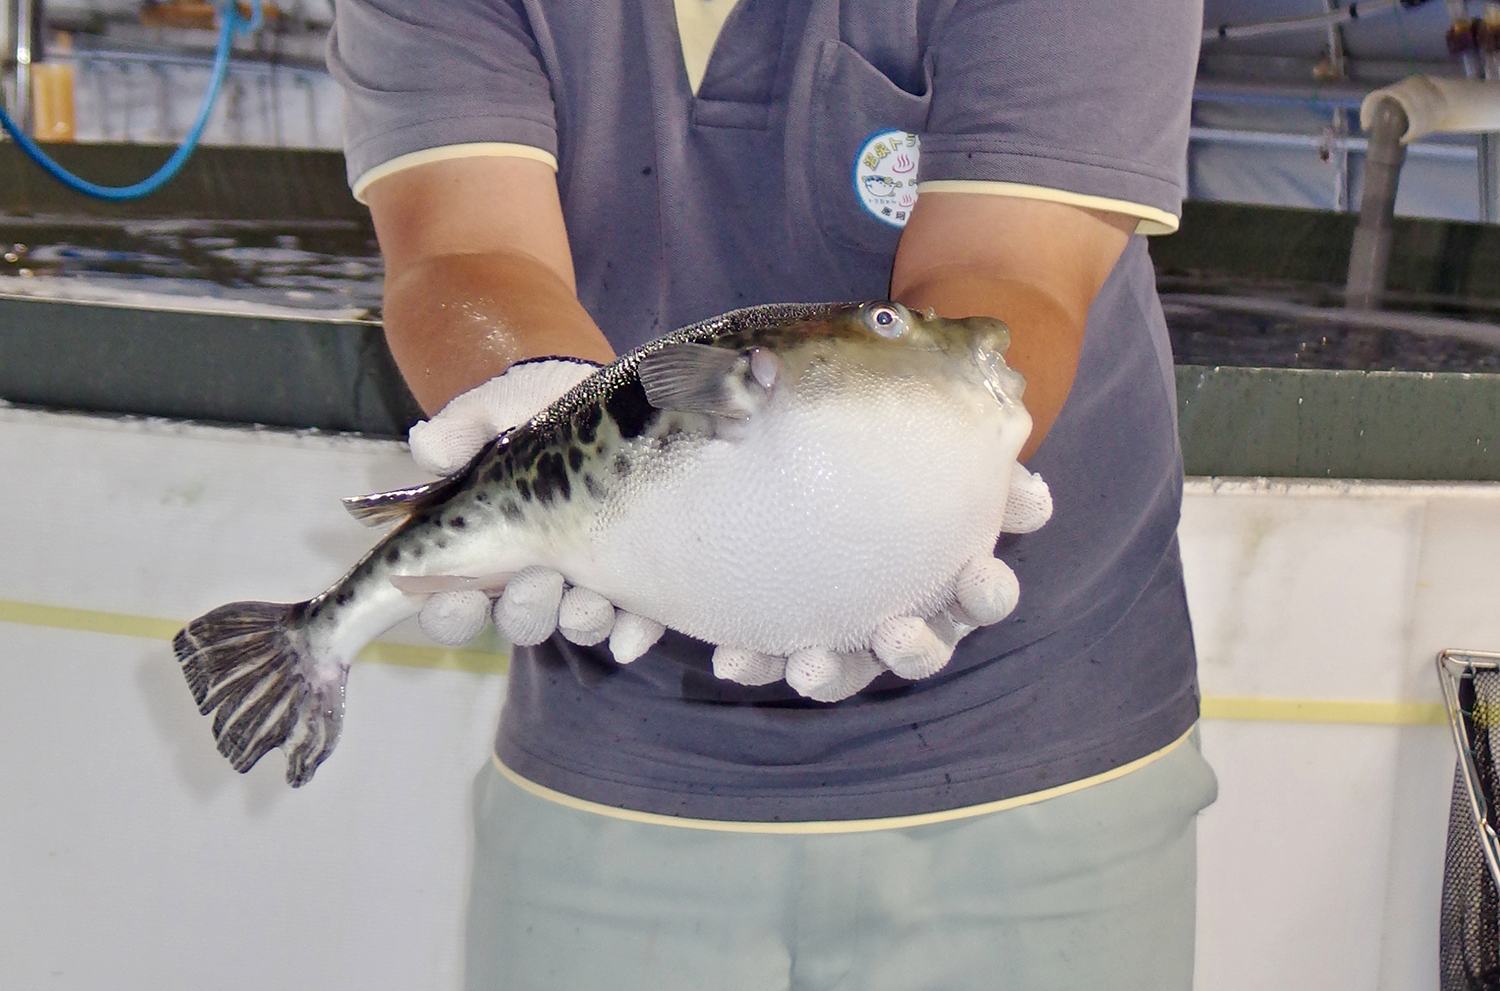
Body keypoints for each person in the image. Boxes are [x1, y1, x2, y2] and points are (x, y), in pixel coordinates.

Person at [327, 0, 1219, 987]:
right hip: (613, 752)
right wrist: (543, 405)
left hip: (1042, 758)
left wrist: (929, 495)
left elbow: (1009, 269)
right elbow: (461, 249)